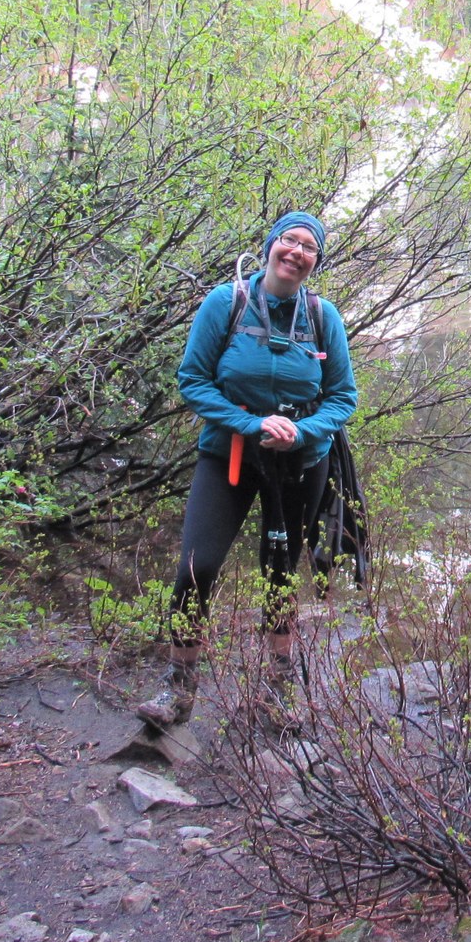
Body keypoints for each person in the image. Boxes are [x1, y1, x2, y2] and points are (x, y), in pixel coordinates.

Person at [138, 213, 358, 727]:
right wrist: (252, 423)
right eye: (289, 240)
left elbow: (343, 396)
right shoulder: (226, 303)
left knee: (279, 572)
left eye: (309, 247)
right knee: (197, 567)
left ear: (316, 261)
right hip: (230, 456)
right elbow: (193, 380)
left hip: (301, 462)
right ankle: (179, 687)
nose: (297, 252)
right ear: (270, 246)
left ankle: (276, 690)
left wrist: (300, 431)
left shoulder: (322, 316)